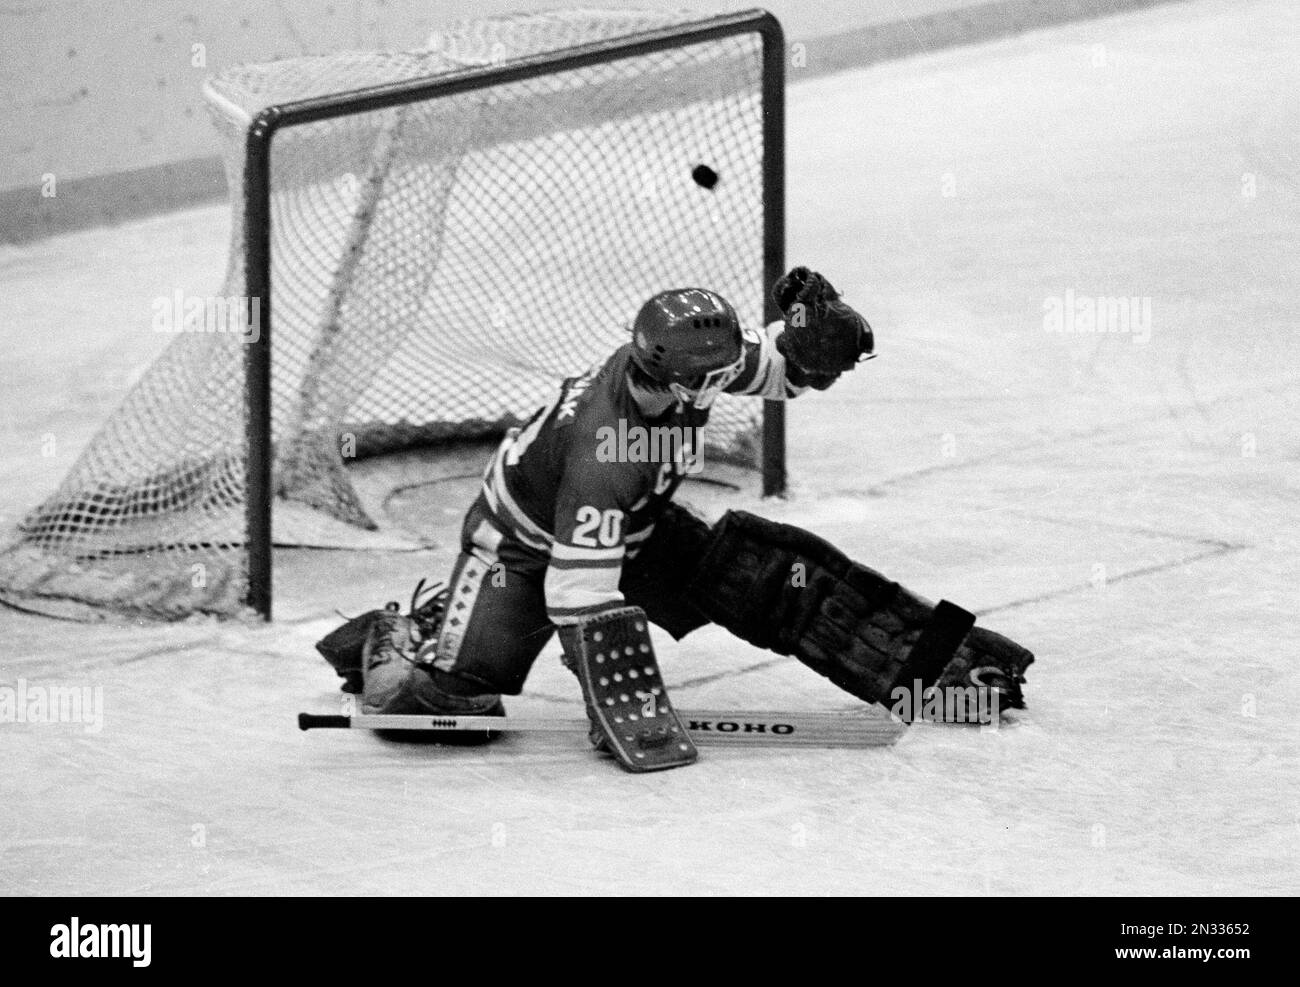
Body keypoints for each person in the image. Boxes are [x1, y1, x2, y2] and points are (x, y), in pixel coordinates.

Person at [316, 267, 1033, 772]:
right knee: (440, 704)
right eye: (722, 373)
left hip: (637, 527)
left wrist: (818, 344)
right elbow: (578, 593)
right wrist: (618, 697)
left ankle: (933, 668)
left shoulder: (678, 368)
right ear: (685, 377)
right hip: (520, 549)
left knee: (773, 575)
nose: (735, 374)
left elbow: (776, 365)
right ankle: (414, 635)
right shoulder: (607, 451)